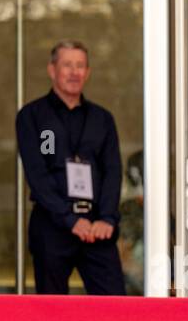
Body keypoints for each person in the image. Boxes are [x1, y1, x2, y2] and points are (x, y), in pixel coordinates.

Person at [16, 40, 125, 295]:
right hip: (53, 225)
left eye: (80, 66)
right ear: (52, 70)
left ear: (87, 72)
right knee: (53, 312)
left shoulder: (102, 119)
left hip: (97, 227)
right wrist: (69, 219)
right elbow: (37, 173)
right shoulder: (34, 117)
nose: (74, 72)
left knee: (115, 308)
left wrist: (107, 218)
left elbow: (112, 171)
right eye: (67, 65)